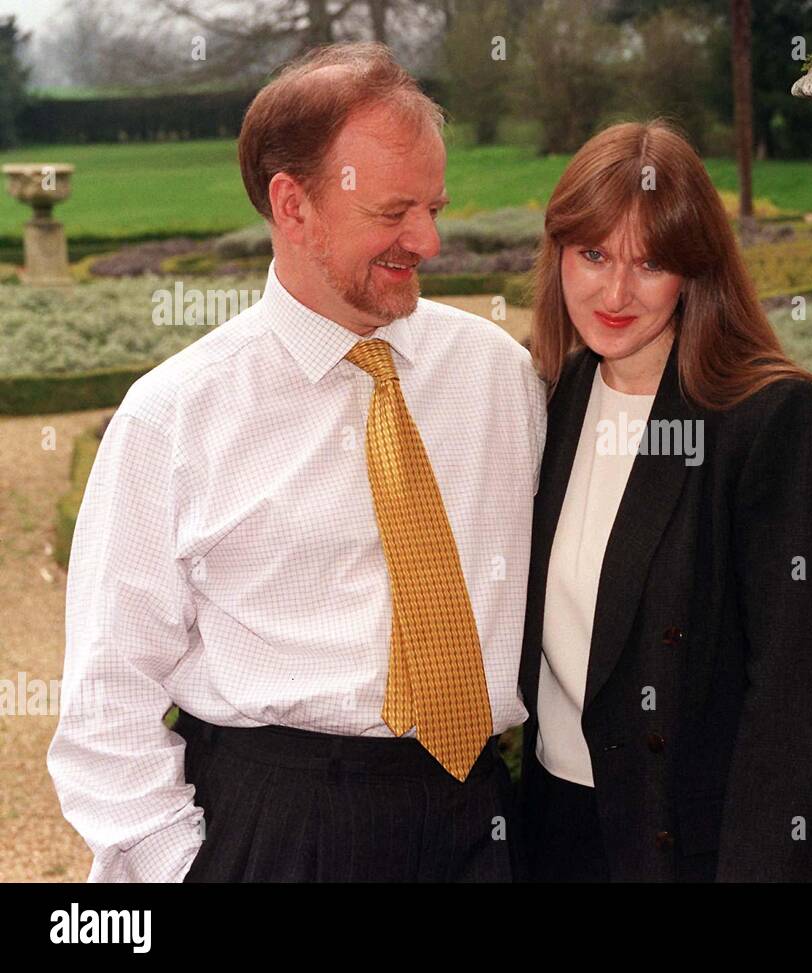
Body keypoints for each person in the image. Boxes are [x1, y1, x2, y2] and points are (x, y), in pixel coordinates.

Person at [46, 43, 544, 882]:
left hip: (483, 821)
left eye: (434, 206)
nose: (426, 238)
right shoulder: (174, 417)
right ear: (294, 204)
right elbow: (106, 704)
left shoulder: (499, 376)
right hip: (283, 833)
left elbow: (593, 561)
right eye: (394, 212)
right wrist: (190, 868)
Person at [517, 120, 812, 883]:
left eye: (650, 261)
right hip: (559, 831)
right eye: (593, 254)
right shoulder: (558, 394)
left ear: (694, 269)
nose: (614, 291)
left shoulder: (764, 417)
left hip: (692, 847)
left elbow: (786, 703)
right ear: (558, 253)